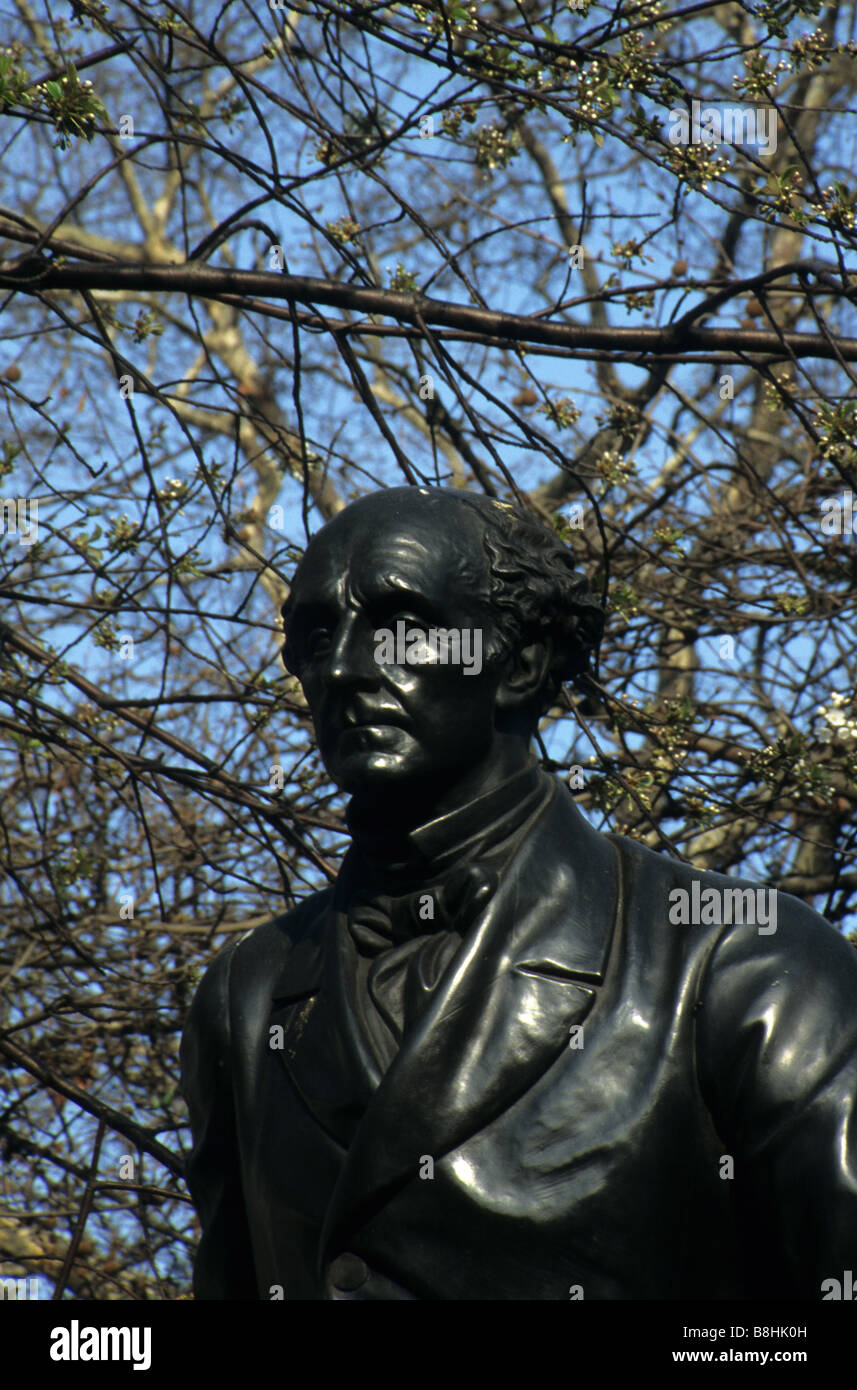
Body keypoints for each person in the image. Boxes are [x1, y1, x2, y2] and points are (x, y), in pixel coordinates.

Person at [181, 485, 857, 1299]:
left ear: (521, 662)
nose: (345, 669)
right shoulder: (245, 998)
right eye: (316, 637)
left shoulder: (735, 960)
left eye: (402, 628)